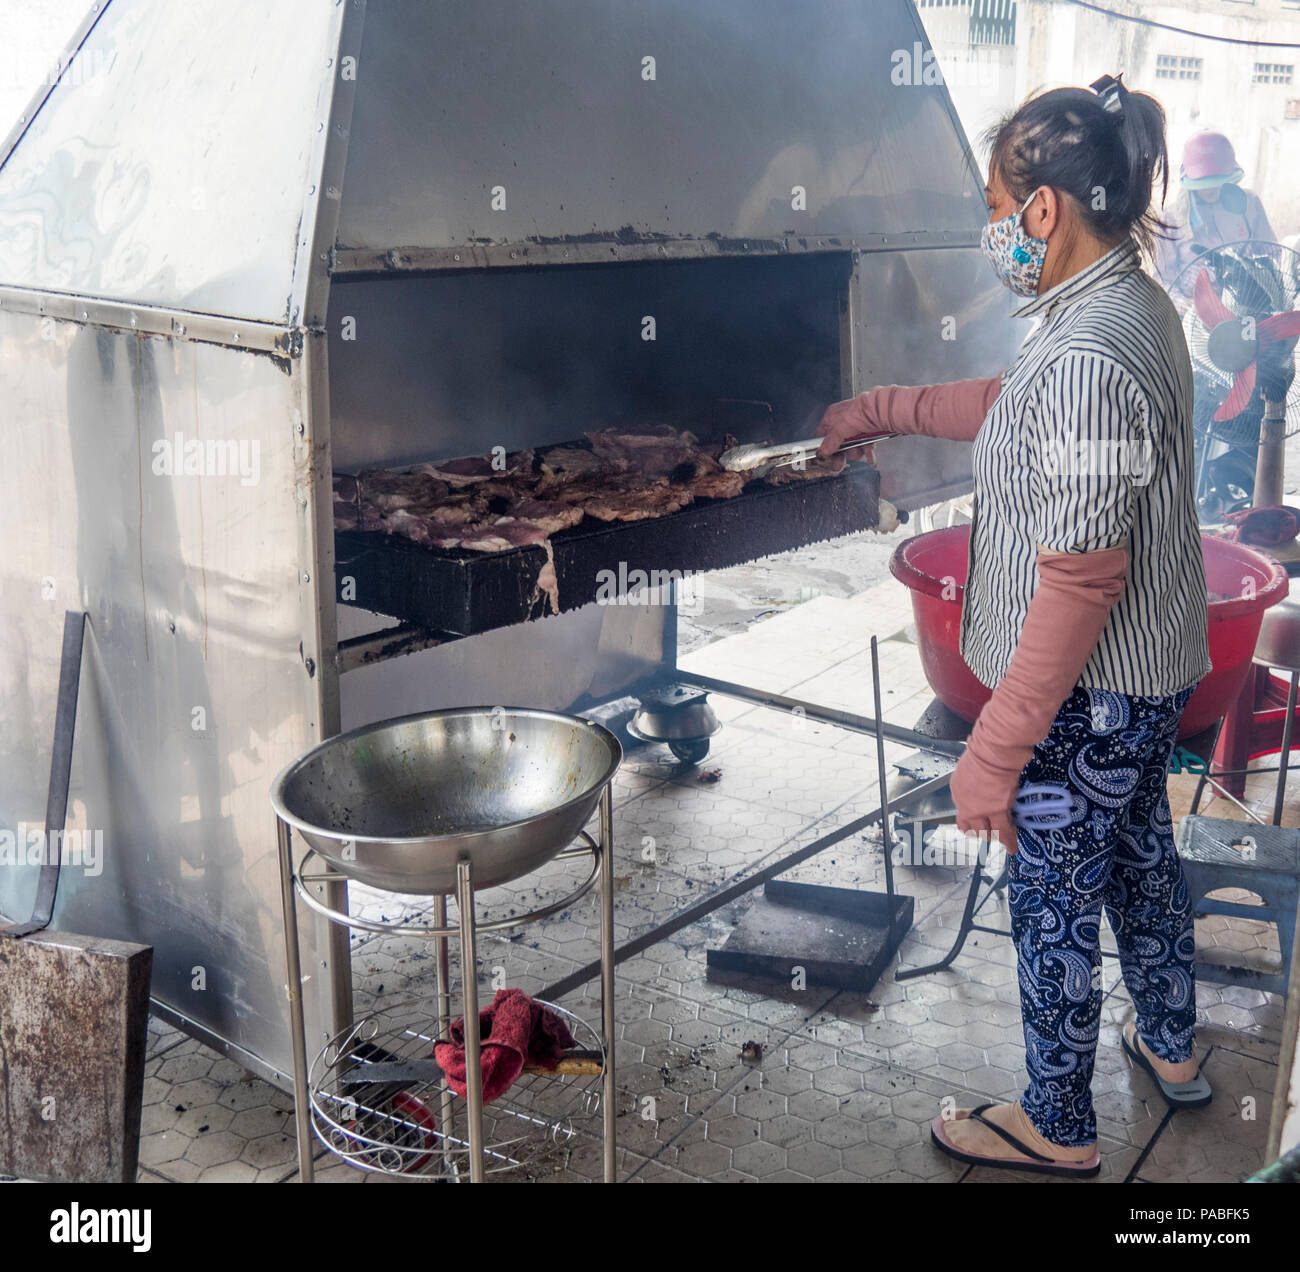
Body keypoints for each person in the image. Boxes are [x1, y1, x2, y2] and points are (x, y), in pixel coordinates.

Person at [818, 74, 1213, 1177]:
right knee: (1136, 854)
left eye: (997, 204)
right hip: (1142, 682)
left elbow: (1080, 581)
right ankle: (1171, 1047)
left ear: (1043, 209)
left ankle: (1057, 1122)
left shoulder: (1088, 350)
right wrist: (882, 408)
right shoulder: (1116, 304)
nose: (991, 227)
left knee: (1050, 891)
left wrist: (989, 757)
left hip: (1091, 693)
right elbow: (1013, 403)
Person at [1156, 131, 1278, 288]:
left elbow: (1272, 253)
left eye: (1217, 182)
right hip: (1193, 305)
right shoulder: (1170, 219)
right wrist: (1185, 304)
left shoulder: (1250, 204)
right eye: (1204, 184)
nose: (1211, 188)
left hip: (1247, 298)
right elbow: (1163, 279)